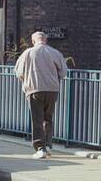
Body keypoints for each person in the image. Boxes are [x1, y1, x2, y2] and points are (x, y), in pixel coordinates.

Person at [14, 31, 69, 159]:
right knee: (48, 118)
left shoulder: (27, 53)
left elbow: (18, 72)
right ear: (45, 40)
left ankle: (40, 148)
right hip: (52, 90)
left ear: (33, 41)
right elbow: (63, 72)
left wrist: (26, 80)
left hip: (34, 89)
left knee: (37, 119)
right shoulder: (55, 53)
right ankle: (48, 145)